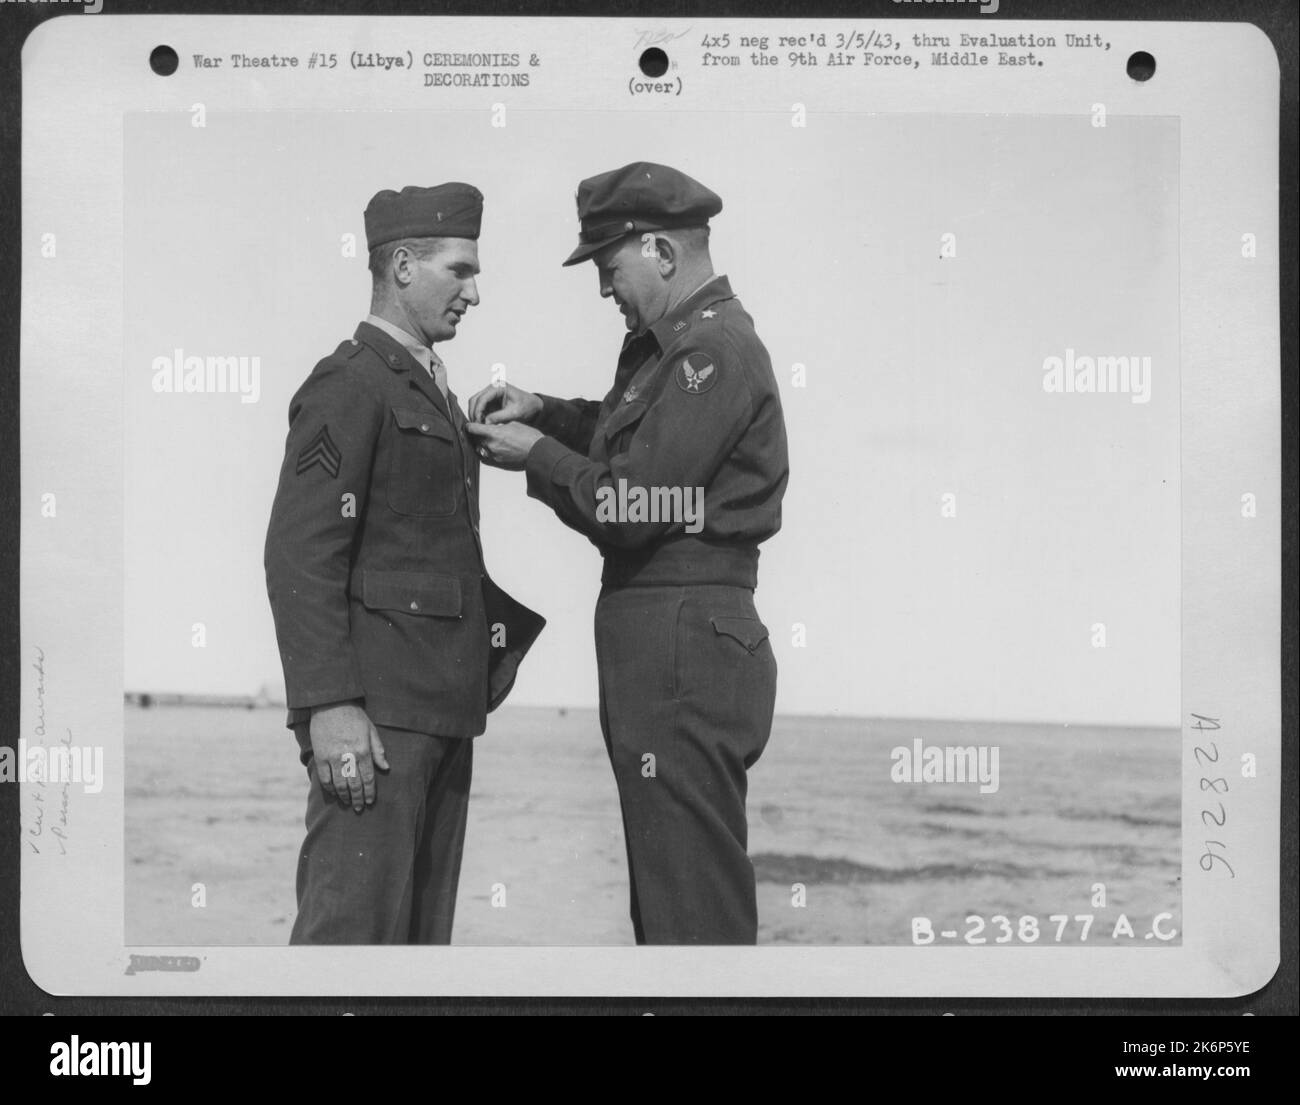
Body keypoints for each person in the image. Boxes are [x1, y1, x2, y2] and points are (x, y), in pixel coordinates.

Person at [466, 162, 788, 944]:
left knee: (691, 908)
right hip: (672, 638)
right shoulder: (674, 350)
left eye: (610, 269)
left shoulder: (712, 353)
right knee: (672, 897)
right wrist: (548, 411)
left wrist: (537, 453)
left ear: (661, 253)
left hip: (682, 639)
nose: (606, 290)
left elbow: (633, 505)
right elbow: (631, 441)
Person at [264, 183, 544, 945]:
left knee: (421, 958)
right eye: (459, 270)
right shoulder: (350, 383)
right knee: (344, 945)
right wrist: (329, 705)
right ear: (402, 265)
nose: (474, 293)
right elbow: (300, 551)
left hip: (443, 717)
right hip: (377, 724)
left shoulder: (433, 391)